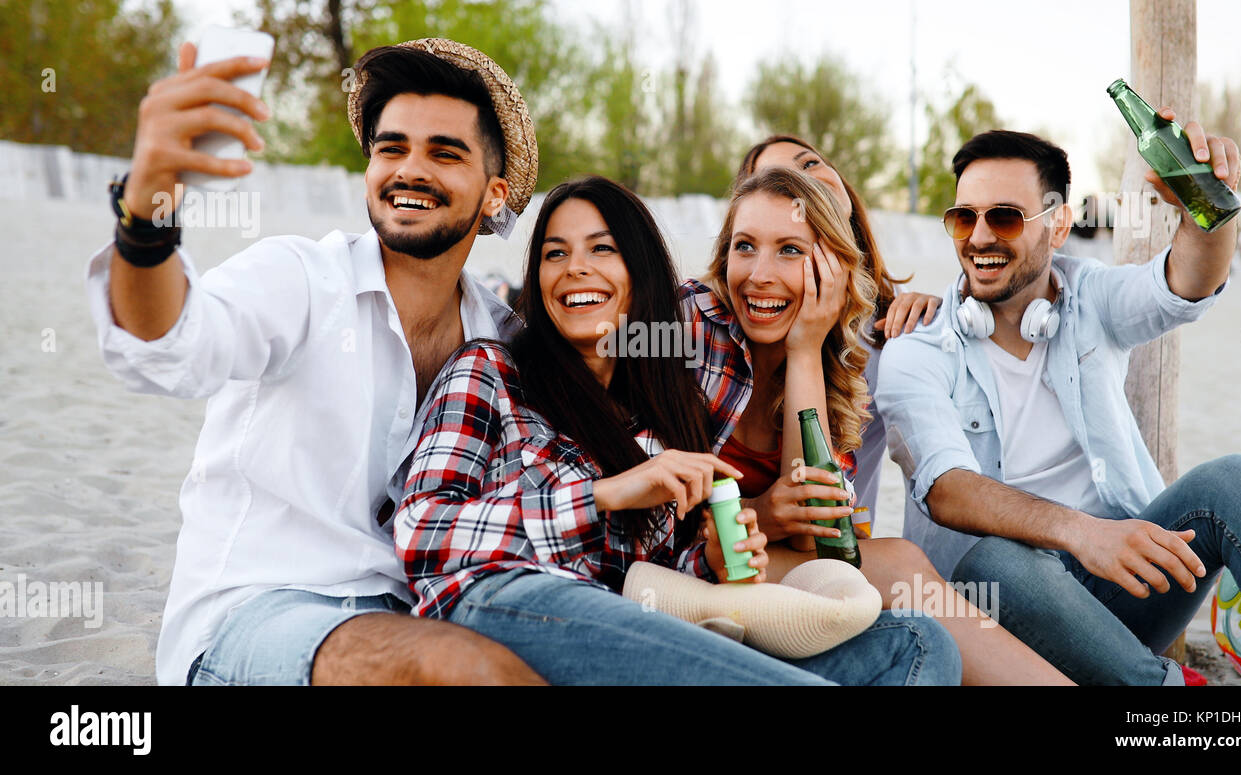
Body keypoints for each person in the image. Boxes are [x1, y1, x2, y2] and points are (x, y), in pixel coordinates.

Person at [87, 37, 547, 685]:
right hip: (257, 614)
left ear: (495, 194)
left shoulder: (502, 341)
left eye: (444, 152)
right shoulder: (298, 278)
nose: (409, 169)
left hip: (420, 610)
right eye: (391, 148)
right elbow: (166, 344)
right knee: (454, 666)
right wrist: (146, 210)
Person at [393, 176, 961, 685]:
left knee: (914, 645)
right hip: (508, 598)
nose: (575, 269)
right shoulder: (492, 370)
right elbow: (419, 531)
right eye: (554, 254)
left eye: (601, 249)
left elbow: (649, 575)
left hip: (632, 620)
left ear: (641, 275)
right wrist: (606, 495)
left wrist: (711, 558)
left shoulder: (658, 416)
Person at [874, 127, 1241, 685]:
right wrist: (1081, 533)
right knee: (995, 563)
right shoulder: (918, 347)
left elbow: (1188, 282)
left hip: (1119, 592)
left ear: (1057, 226)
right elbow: (947, 487)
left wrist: (1206, 204)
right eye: (963, 218)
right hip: (993, 616)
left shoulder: (1091, 295)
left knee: (1231, 481)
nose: (978, 237)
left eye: (1003, 217)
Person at [685, 166, 1071, 684]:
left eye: (791, 251)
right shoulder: (695, 326)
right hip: (681, 564)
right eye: (744, 247)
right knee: (897, 569)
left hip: (766, 568)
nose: (759, 274)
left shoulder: (831, 362)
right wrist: (761, 512)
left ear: (833, 269)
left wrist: (802, 352)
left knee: (905, 579)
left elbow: (813, 537)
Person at [734, 135, 940, 520]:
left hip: (842, 544)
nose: (804, 182)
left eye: (810, 164)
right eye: (779, 180)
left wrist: (942, 319)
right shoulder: (734, 322)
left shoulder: (894, 316)